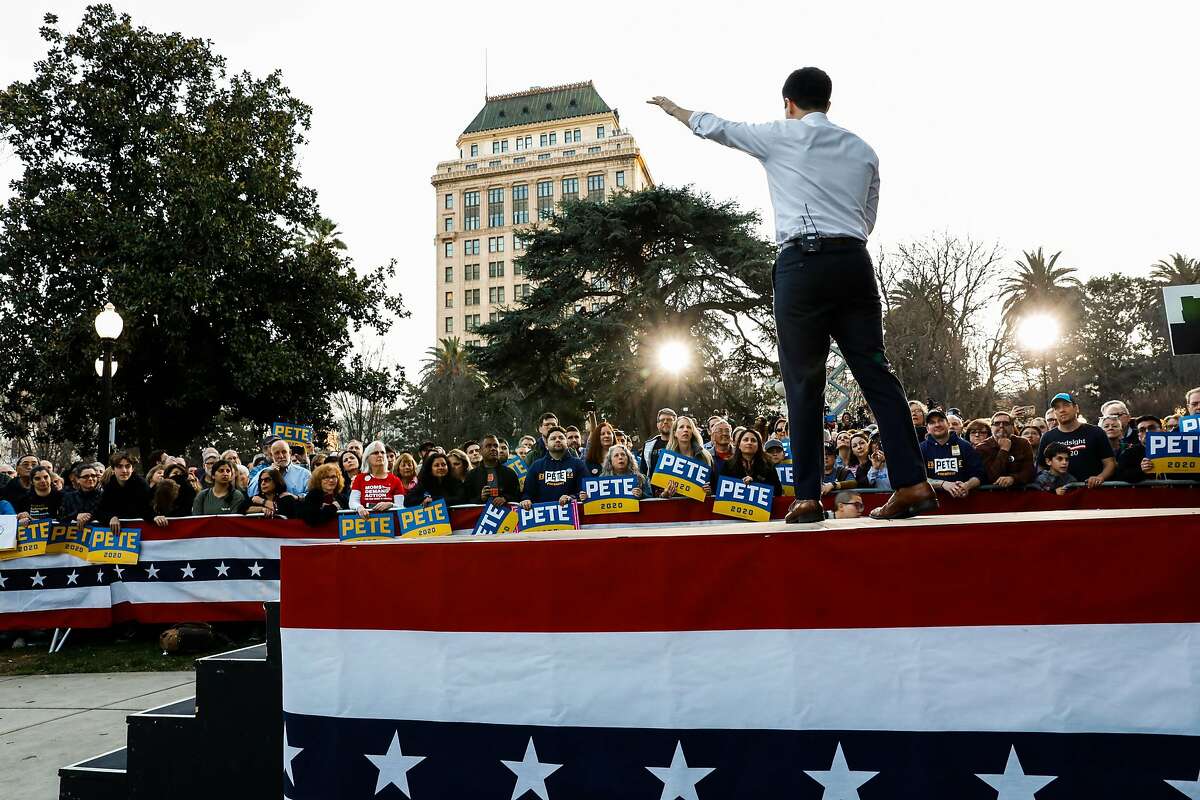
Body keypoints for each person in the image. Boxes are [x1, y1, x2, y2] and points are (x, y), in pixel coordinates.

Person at [649, 71, 933, 522]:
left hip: (802, 264)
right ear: (828, 104)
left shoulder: (781, 135)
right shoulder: (863, 150)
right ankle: (913, 483)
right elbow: (867, 216)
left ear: (788, 103)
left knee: (803, 381)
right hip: (854, 262)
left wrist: (674, 110)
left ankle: (807, 497)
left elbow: (717, 127)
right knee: (877, 374)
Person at [1036, 393, 1116, 488]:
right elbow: (1041, 467)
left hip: (1092, 491)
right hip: (1061, 494)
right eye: (1057, 407)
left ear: (1076, 408)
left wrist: (1100, 477)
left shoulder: (1096, 432)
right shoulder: (1047, 437)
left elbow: (1110, 463)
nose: (1062, 410)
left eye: (1066, 405)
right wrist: (1049, 485)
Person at [920, 408, 986, 498]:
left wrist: (967, 485)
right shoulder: (921, 449)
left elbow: (979, 474)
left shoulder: (965, 446)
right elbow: (918, 479)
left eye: (940, 420)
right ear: (927, 429)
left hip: (964, 502)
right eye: (932, 422)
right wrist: (943, 484)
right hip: (933, 503)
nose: (937, 425)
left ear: (948, 424)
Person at [522, 426, 589, 507]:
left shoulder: (578, 464)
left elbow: (585, 491)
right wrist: (526, 500)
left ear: (567, 443)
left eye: (561, 438)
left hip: (571, 512)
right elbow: (527, 492)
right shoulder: (536, 466)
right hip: (544, 513)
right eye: (553, 438)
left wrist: (571, 497)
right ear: (546, 445)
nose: (557, 440)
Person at [94, 451, 157, 530]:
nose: (124, 470)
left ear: (132, 469)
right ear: (113, 469)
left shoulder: (141, 485)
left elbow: (148, 509)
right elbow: (99, 511)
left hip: (139, 530)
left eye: (127, 466)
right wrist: (111, 517)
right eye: (119, 466)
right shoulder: (109, 486)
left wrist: (155, 517)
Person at [656, 416, 714, 498]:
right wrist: (666, 494)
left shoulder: (705, 456)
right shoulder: (666, 459)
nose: (685, 430)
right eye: (681, 427)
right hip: (675, 505)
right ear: (675, 433)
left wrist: (709, 492)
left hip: (699, 505)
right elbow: (658, 495)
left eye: (689, 427)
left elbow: (714, 487)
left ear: (692, 432)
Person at [975, 411, 1035, 488]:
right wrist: (1004, 450)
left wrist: (1013, 478)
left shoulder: (1023, 443)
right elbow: (991, 477)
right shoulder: (982, 448)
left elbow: (1029, 472)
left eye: (1006, 423)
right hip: (992, 492)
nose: (1001, 426)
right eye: (997, 423)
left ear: (1012, 427)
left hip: (1020, 491)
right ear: (991, 428)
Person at [464, 434, 522, 508]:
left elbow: (518, 496)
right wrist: (481, 498)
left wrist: (505, 498)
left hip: (505, 514)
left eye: (496, 446)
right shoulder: (471, 475)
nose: (493, 448)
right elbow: (465, 500)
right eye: (488, 446)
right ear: (480, 451)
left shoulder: (510, 473)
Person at [350, 440, 405, 517]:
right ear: (367, 457)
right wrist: (359, 507)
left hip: (389, 521)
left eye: (382, 452)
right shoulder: (359, 478)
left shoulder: (395, 480)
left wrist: (391, 505)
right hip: (365, 521)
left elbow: (400, 506)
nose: (380, 455)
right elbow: (352, 502)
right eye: (375, 453)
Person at [718, 429, 783, 494]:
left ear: (758, 446)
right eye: (745, 440)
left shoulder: (768, 466)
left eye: (753, 440)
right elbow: (721, 490)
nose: (749, 443)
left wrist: (755, 483)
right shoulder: (728, 465)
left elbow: (778, 491)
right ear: (739, 445)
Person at [642, 407, 676, 477]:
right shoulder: (648, 446)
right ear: (657, 425)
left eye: (669, 420)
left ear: (676, 424)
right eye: (662, 420)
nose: (665, 422)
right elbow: (643, 471)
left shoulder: (683, 444)